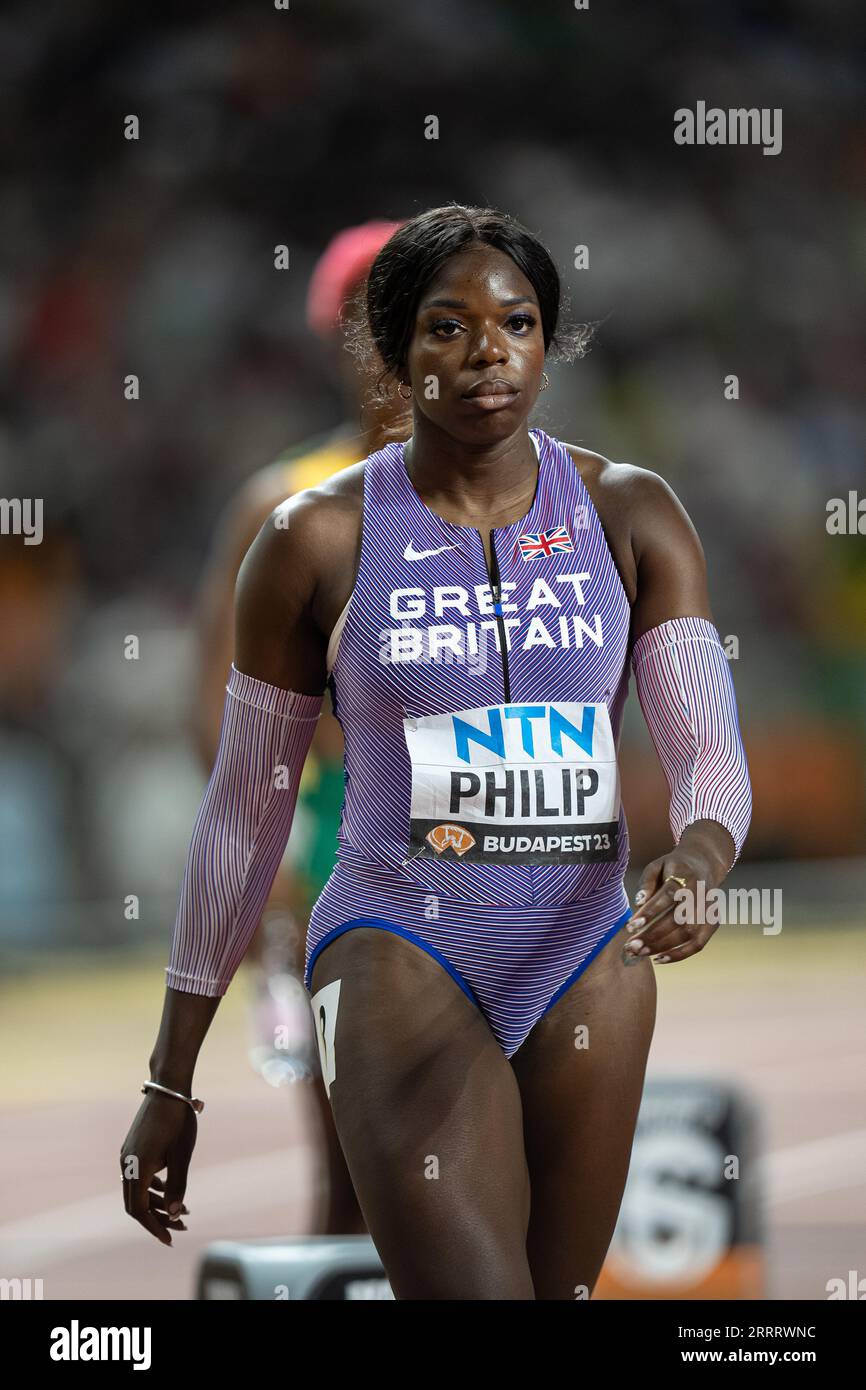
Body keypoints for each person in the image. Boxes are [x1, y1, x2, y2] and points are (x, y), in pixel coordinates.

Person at [122, 204, 752, 1299]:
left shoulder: (630, 514)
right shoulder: (311, 536)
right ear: (391, 350)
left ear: (547, 343)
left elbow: (706, 746)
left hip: (585, 954)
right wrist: (171, 1076)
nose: (485, 352)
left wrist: (699, 858)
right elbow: (241, 806)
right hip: (398, 946)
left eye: (513, 322)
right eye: (445, 327)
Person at [189, 220, 407, 1236]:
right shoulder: (282, 504)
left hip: (489, 838)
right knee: (353, 1160)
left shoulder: (524, 496)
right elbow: (213, 694)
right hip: (334, 836)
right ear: (337, 338)